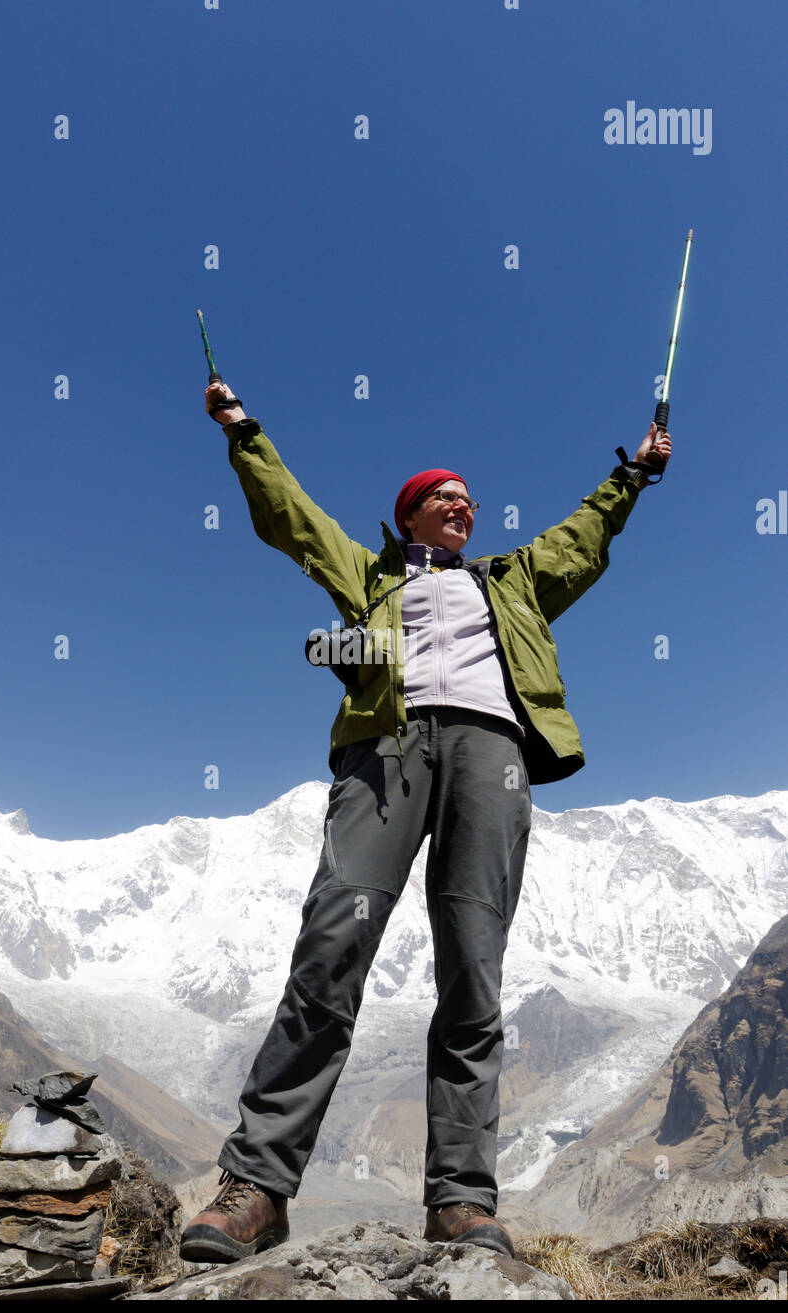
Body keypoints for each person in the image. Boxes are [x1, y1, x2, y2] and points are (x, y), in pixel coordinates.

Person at [179, 378, 672, 1264]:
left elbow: (584, 536)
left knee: (473, 976)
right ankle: (256, 1186)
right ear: (410, 514)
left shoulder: (514, 580)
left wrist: (632, 477)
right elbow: (288, 514)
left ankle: (458, 1201)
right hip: (387, 751)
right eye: (445, 496)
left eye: (471, 500)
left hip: (493, 756)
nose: (464, 507)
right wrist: (243, 430)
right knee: (330, 950)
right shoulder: (365, 574)